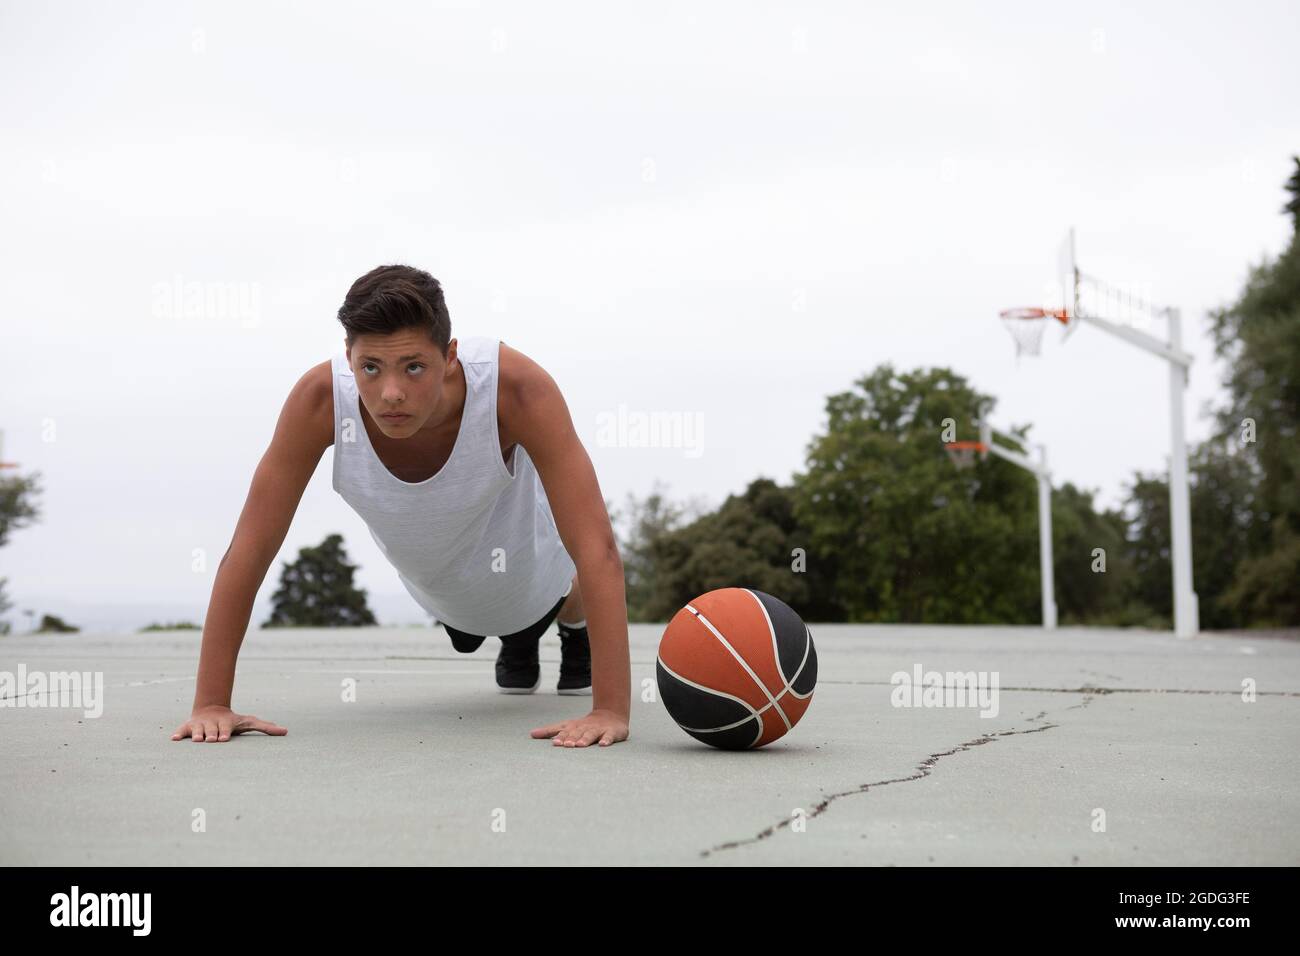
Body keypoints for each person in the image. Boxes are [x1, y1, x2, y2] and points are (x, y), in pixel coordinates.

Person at [171, 265, 631, 749]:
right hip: (441, 588)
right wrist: (211, 704)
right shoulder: (320, 402)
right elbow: (249, 547)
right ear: (348, 357)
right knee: (475, 619)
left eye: (414, 367)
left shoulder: (515, 388)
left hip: (529, 565)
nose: (391, 393)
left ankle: (568, 628)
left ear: (450, 356)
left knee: (553, 585)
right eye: (370, 367)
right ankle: (516, 638)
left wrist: (609, 709)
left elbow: (595, 548)